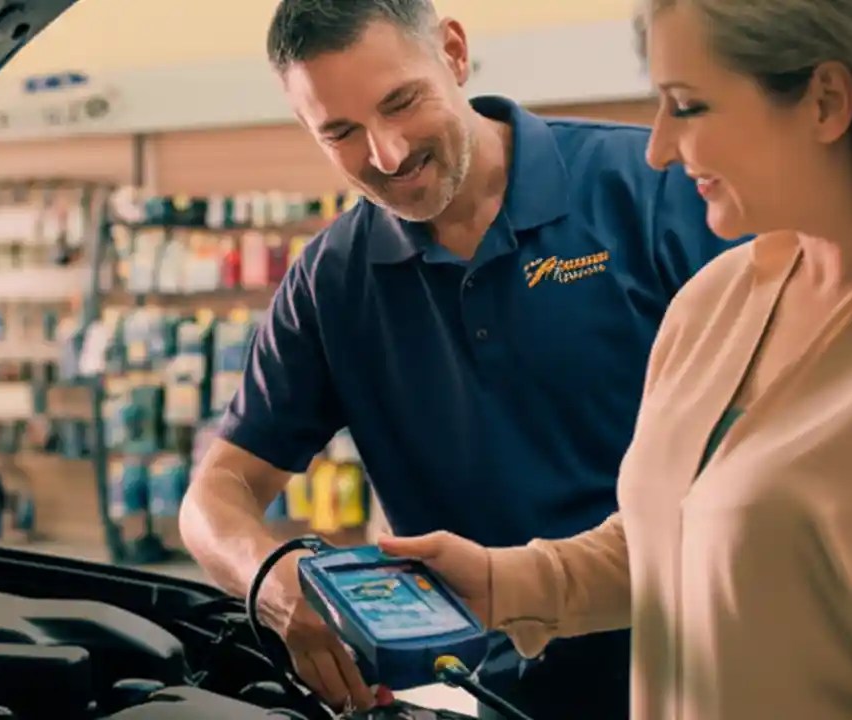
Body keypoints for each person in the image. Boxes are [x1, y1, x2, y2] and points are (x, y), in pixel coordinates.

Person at [178, 0, 736, 717]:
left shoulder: (655, 189)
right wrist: (276, 583)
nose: (386, 154)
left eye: (400, 103)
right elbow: (213, 496)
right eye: (341, 133)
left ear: (453, 51)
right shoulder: (331, 282)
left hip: (703, 667)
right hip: (498, 693)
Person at [380, 0, 852, 718]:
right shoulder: (713, 303)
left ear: (825, 101)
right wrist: (505, 583)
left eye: (686, 107)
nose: (656, 149)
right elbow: (686, 542)